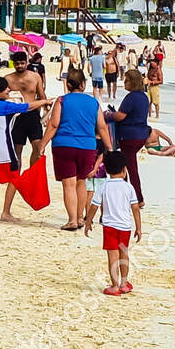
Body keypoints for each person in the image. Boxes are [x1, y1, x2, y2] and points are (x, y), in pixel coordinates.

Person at [41, 68, 111, 231]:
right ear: (83, 84)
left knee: (68, 184)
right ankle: (80, 218)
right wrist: (109, 147)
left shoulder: (62, 100)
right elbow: (102, 126)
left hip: (64, 145)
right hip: (87, 147)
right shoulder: (93, 102)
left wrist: (43, 144)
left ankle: (72, 220)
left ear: (68, 84)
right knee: (81, 182)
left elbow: (53, 124)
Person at [0, 74, 50, 222]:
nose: (8, 90)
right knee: (14, 179)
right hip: (6, 150)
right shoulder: (5, 106)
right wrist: (43, 101)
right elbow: (26, 107)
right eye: (5, 89)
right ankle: (6, 212)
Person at [84, 150, 142, 295]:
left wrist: (88, 222)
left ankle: (114, 285)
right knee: (124, 254)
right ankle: (124, 282)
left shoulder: (103, 186)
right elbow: (135, 208)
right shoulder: (128, 187)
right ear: (124, 170)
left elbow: (94, 206)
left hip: (109, 227)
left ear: (107, 170)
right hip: (125, 227)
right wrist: (139, 228)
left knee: (112, 256)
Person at [104, 69, 153, 204]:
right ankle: (132, 196)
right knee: (129, 165)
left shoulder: (131, 97)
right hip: (141, 135)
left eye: (126, 80)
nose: (124, 83)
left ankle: (135, 198)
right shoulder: (144, 96)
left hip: (129, 136)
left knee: (128, 168)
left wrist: (108, 115)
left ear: (132, 82)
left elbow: (121, 116)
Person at [7, 54, 48, 167]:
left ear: (27, 62)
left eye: (22, 63)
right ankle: (16, 179)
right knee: (17, 149)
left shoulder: (35, 77)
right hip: (16, 116)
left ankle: (31, 174)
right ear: (13, 64)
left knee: (38, 146)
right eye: (17, 64)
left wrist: (47, 113)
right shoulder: (8, 79)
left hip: (33, 114)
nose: (20, 66)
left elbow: (41, 95)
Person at [146, 47, 163, 119]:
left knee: (156, 102)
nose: (151, 63)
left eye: (152, 62)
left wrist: (152, 82)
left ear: (156, 63)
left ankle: (157, 115)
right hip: (149, 86)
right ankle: (149, 115)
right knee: (148, 101)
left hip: (154, 87)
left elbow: (161, 81)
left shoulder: (158, 70)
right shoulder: (150, 68)